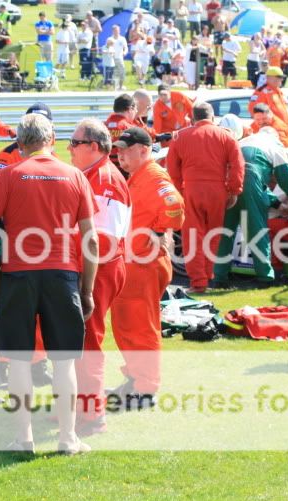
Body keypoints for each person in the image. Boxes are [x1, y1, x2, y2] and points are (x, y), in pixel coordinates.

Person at [0, 113, 99, 455]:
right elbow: (92, 241)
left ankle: (24, 439)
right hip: (61, 275)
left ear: (20, 144)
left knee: (20, 361)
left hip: (18, 275)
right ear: (51, 138)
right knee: (64, 361)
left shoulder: (8, 175)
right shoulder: (75, 176)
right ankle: (67, 439)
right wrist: (87, 291)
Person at [108, 127, 184, 408]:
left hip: (145, 264)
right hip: (134, 263)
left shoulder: (153, 175)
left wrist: (159, 229)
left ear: (143, 150)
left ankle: (146, 387)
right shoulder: (139, 177)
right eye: (118, 150)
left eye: (126, 151)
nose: (121, 156)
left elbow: (174, 206)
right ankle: (135, 378)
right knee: (126, 324)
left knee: (140, 326)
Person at [67, 118, 131, 435]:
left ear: (93, 147)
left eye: (75, 143)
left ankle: (93, 414)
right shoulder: (93, 175)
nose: (69, 148)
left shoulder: (104, 180)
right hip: (95, 266)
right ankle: (76, 406)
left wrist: (84, 282)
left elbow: (102, 240)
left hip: (99, 269)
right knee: (75, 339)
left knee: (88, 340)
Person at [167, 102, 244, 293]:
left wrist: (178, 190)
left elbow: (172, 168)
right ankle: (207, 278)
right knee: (213, 235)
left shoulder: (181, 136)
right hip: (217, 191)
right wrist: (233, 190)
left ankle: (198, 282)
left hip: (190, 190)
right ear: (213, 118)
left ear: (193, 118)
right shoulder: (226, 136)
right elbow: (237, 165)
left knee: (192, 236)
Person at [213, 128, 288, 288]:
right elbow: (283, 174)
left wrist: (277, 203)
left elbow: (260, 185)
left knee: (225, 232)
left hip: (228, 181)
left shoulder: (243, 141)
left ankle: (219, 277)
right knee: (257, 231)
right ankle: (265, 278)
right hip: (250, 180)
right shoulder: (274, 145)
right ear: (276, 137)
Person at [0, 103, 52, 169]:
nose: (38, 128)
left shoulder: (51, 154)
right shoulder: (7, 155)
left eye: (43, 124)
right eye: (34, 124)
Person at [105, 93, 140, 173]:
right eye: (135, 109)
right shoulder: (129, 128)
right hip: (123, 171)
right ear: (130, 108)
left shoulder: (102, 126)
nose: (136, 112)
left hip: (105, 169)